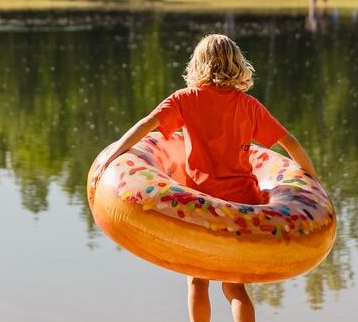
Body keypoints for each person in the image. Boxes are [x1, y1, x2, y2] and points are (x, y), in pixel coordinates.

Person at [93, 34, 319, 322]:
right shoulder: (248, 105)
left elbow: (146, 125)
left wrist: (114, 155)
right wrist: (313, 182)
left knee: (198, 281)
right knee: (235, 287)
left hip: (202, 206)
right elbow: (289, 142)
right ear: (236, 64)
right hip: (244, 206)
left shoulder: (186, 99)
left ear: (198, 65)